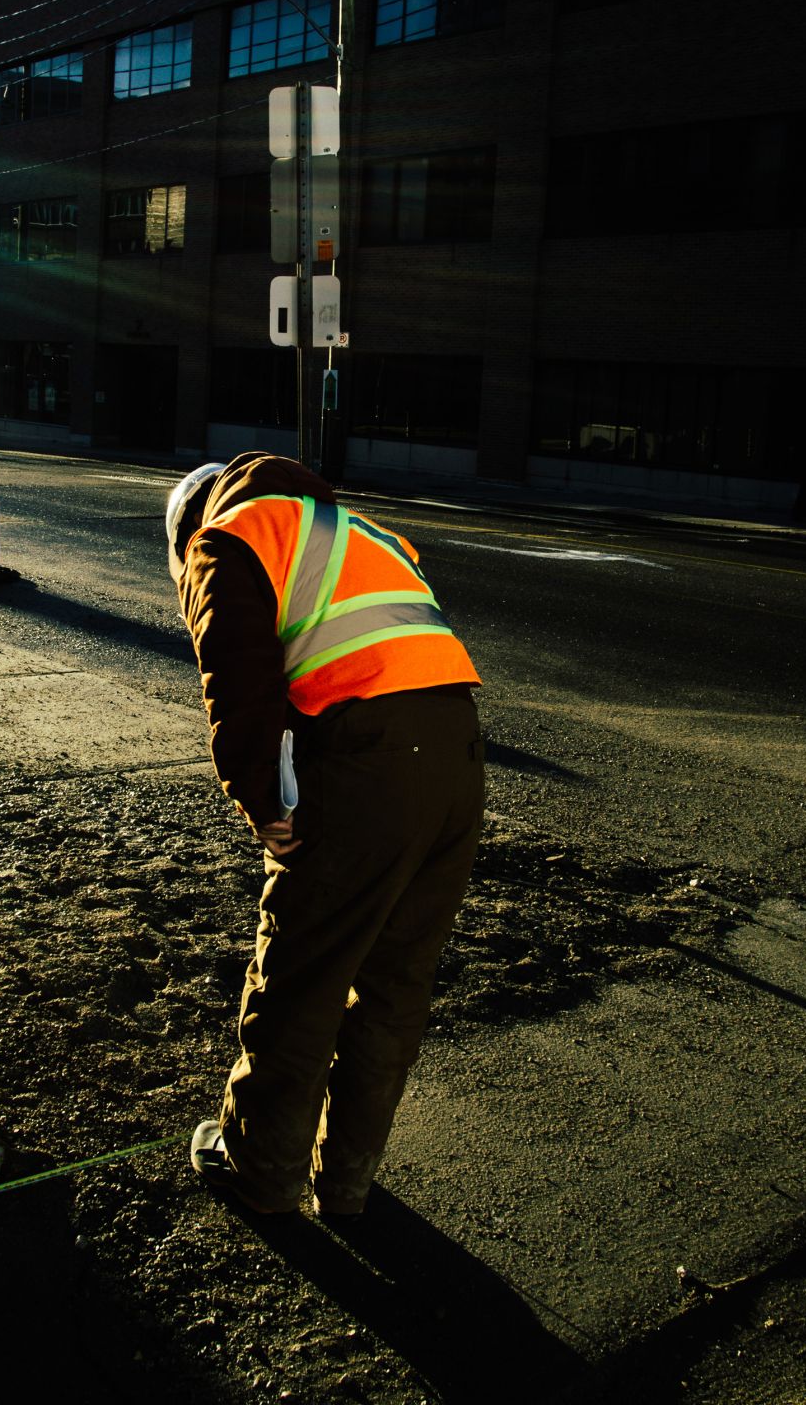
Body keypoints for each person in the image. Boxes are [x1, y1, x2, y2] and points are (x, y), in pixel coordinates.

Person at [166, 451, 484, 1218]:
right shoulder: (357, 530)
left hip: (369, 764)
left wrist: (258, 799)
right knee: (393, 985)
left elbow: (239, 682)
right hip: (459, 763)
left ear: (187, 530)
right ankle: (346, 1183)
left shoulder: (228, 537)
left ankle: (259, 1170)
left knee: (301, 975)